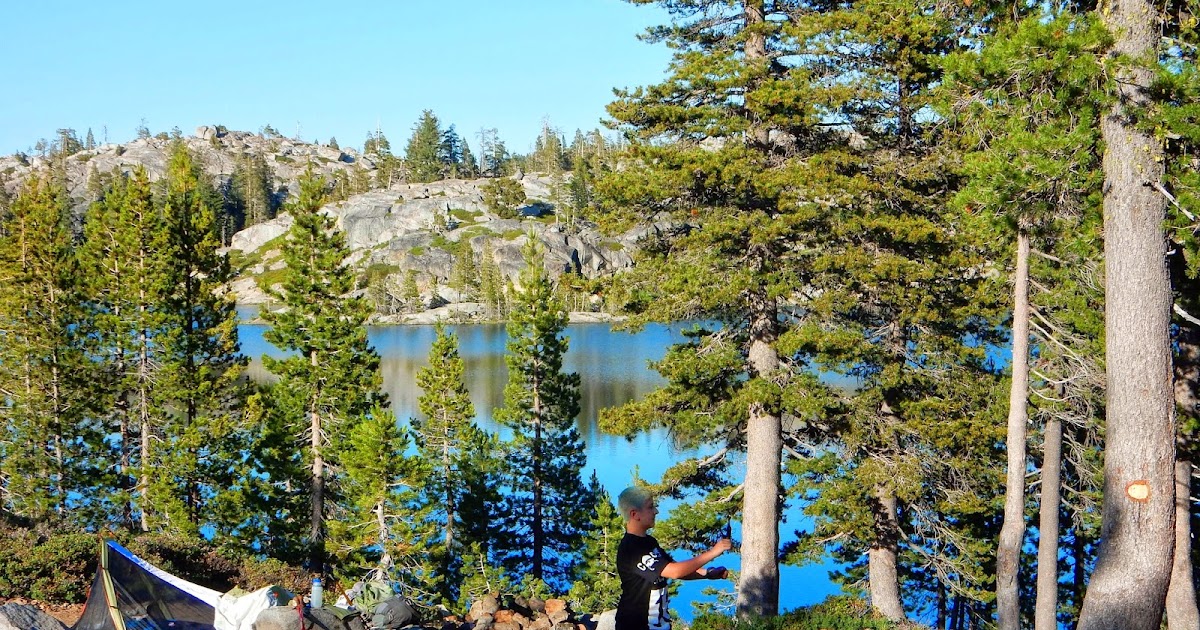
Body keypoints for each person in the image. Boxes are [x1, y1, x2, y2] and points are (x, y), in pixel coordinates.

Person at [615, 486, 732, 630]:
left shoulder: (649, 542)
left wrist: (707, 573)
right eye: (650, 507)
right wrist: (713, 552)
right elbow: (675, 572)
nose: (656, 511)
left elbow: (674, 568)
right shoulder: (631, 549)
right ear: (635, 514)